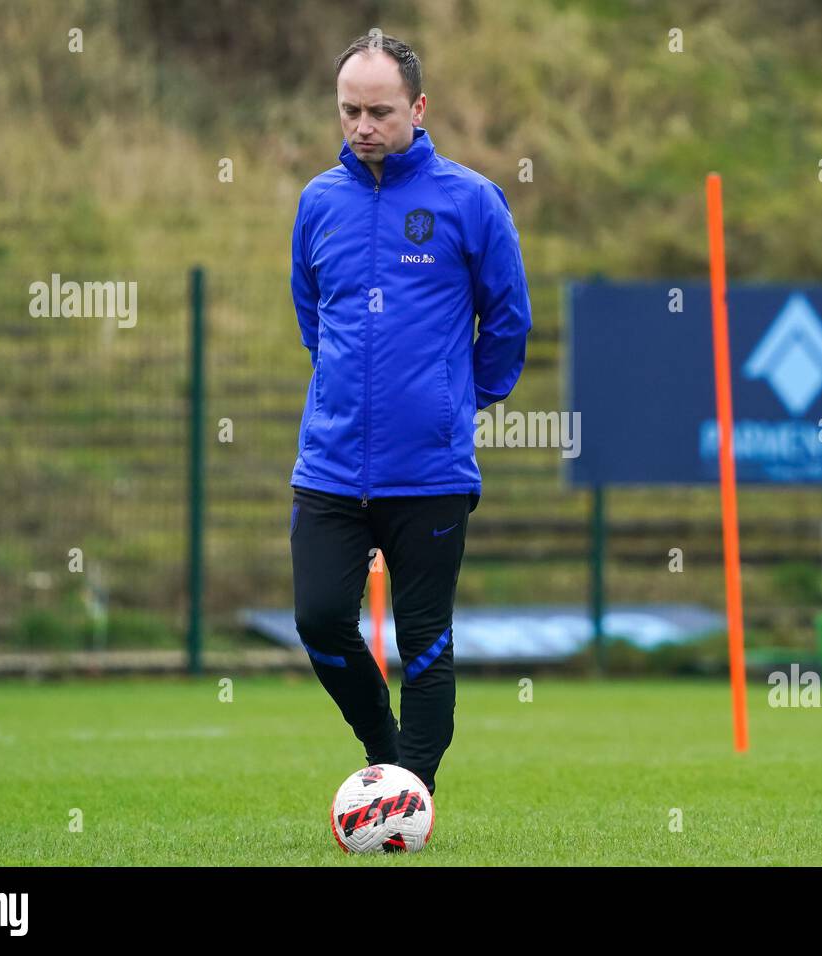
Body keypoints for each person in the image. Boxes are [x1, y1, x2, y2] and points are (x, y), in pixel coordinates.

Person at [288, 33, 532, 798]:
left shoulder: (470, 201)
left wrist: (459, 402)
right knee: (320, 619)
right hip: (329, 466)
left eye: (380, 111)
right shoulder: (317, 202)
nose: (362, 124)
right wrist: (343, 396)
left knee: (425, 644)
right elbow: (312, 319)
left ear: (418, 109)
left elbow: (510, 319)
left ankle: (408, 795)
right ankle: (382, 749)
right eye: (350, 110)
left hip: (428, 470)